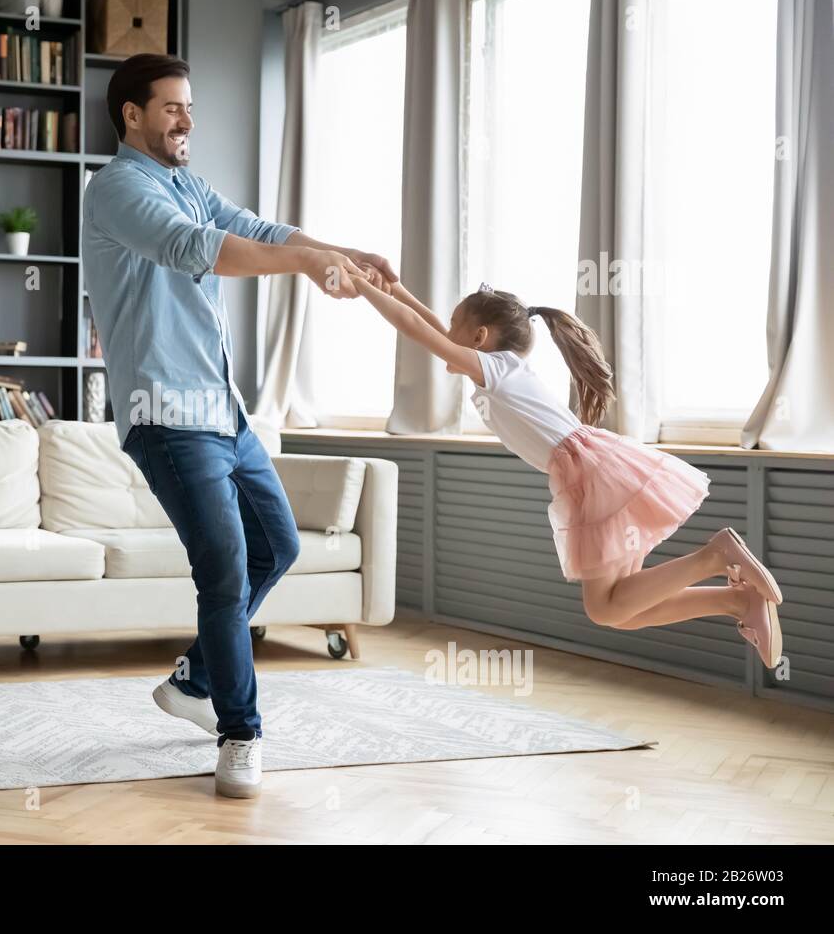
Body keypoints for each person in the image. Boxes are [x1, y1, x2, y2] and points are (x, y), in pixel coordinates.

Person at [81, 53, 396, 798]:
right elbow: (198, 249)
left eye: (190, 106)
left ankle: (194, 677)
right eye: (171, 108)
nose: (188, 119)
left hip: (224, 411)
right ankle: (239, 734)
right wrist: (304, 265)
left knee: (280, 545)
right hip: (166, 415)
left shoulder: (185, 182)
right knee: (222, 573)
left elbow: (252, 225)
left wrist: (338, 251)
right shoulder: (119, 188)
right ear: (132, 114)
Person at [352, 274, 783, 667]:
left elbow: (418, 331)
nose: (445, 335)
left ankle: (716, 555)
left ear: (480, 337)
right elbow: (426, 327)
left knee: (605, 608)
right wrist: (391, 285)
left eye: (454, 326)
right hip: (595, 469)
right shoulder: (500, 367)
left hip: (591, 476)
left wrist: (365, 290)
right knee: (620, 612)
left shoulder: (496, 369)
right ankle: (736, 602)